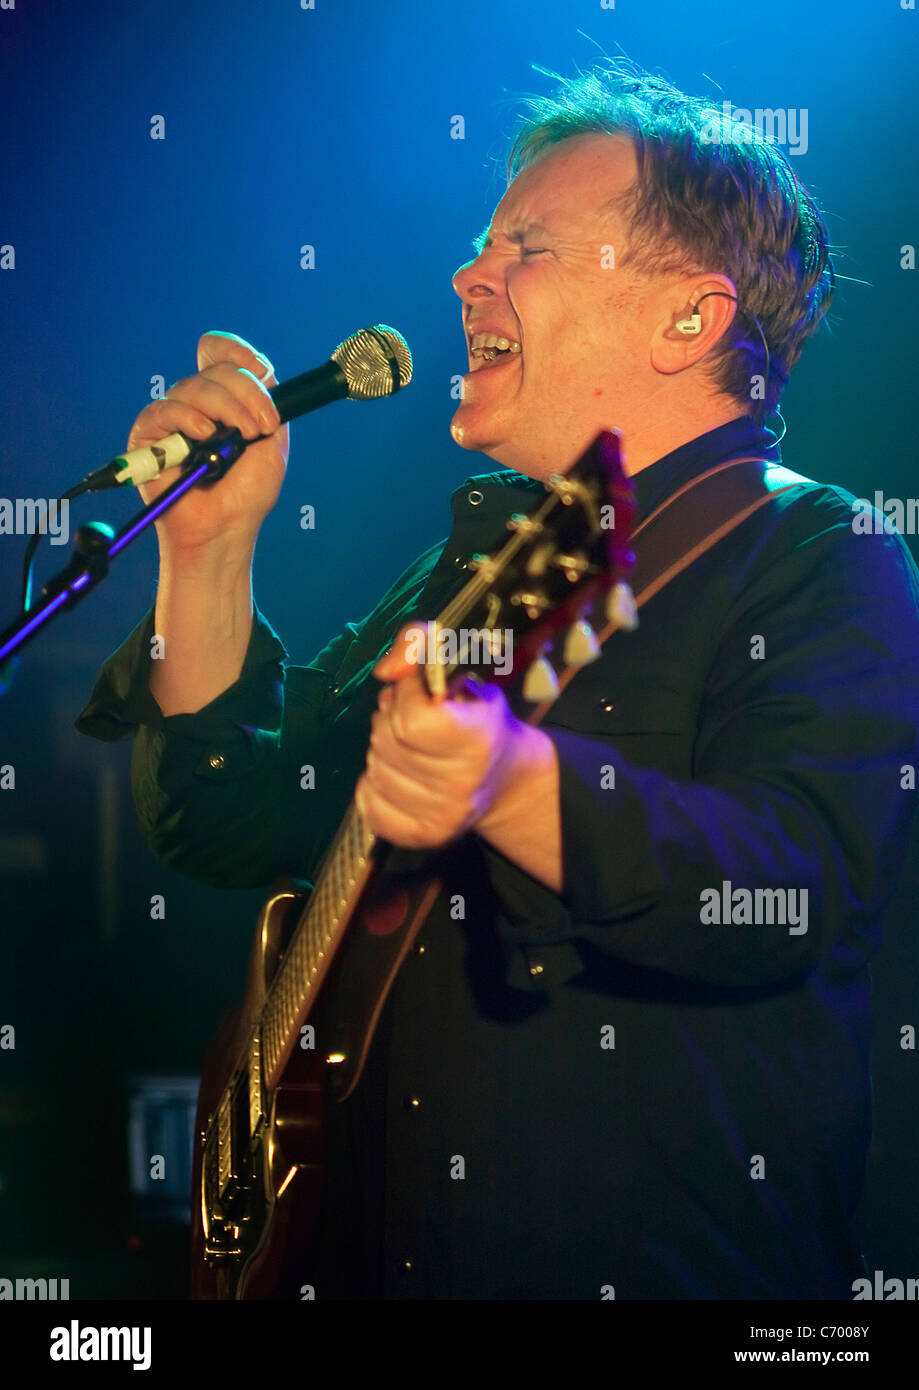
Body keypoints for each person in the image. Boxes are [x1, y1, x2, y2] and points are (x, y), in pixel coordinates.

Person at [77, 61, 919, 1299]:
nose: (469, 276)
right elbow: (227, 811)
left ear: (688, 318)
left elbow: (791, 888)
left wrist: (511, 782)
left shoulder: (816, 553)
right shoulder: (478, 567)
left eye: (525, 244)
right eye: (481, 243)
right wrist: (207, 555)